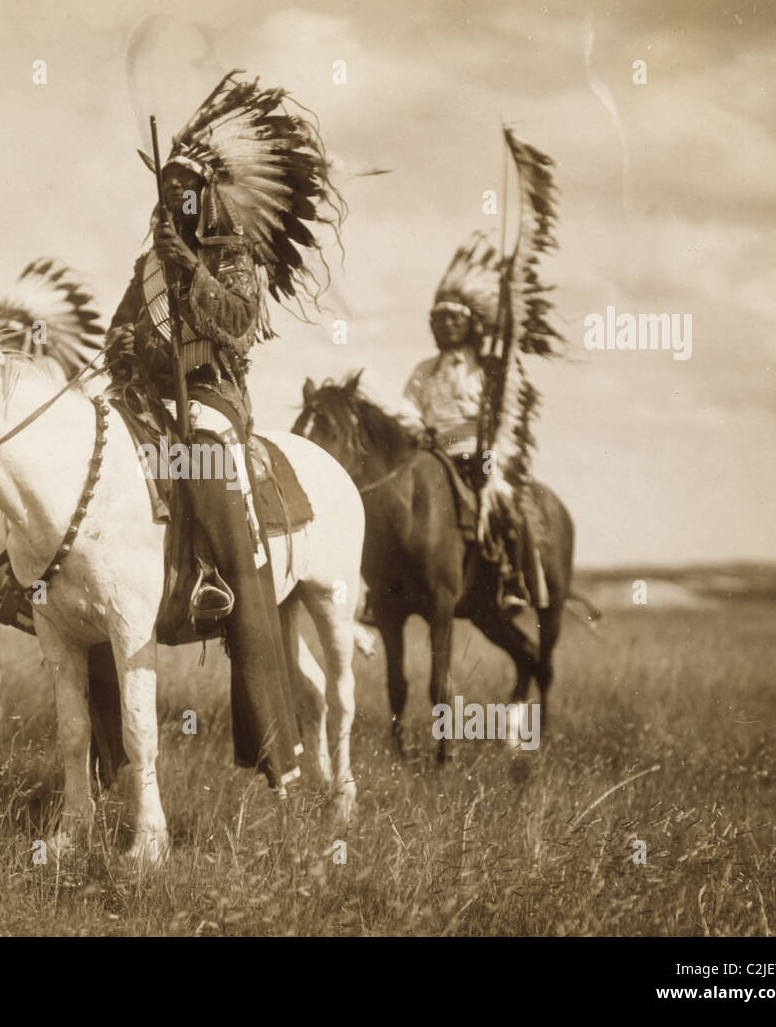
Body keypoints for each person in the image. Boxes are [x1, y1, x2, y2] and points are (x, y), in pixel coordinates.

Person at [104, 70, 345, 790]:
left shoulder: (230, 255)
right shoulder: (148, 263)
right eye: (165, 189)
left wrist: (193, 274)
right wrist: (121, 368)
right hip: (148, 401)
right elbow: (120, 332)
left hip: (211, 398)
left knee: (208, 471)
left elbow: (239, 327)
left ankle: (223, 585)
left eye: (183, 188)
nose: (171, 199)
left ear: (203, 195)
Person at [398, 232, 533, 611]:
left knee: (500, 501)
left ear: (470, 324)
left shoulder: (491, 370)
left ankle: (511, 579)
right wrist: (417, 430)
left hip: (482, 454)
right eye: (439, 319)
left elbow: (509, 414)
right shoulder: (424, 371)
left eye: (453, 319)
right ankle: (386, 591)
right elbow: (407, 408)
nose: (446, 326)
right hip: (434, 454)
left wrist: (487, 441)